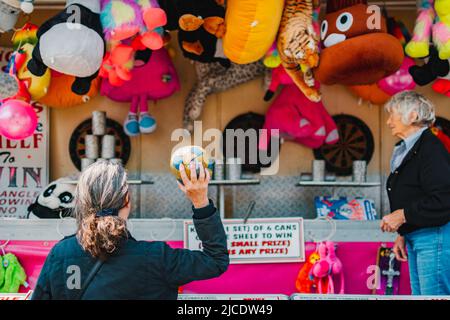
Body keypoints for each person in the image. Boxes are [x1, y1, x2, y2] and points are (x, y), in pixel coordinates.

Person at [32, 160, 229, 300]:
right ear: (127, 200)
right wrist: (200, 201)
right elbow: (215, 260)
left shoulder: (61, 254)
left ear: (82, 203)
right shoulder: (156, 257)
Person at [381, 91, 450, 295]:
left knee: (432, 296)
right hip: (418, 235)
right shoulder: (409, 148)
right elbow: (415, 194)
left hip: (434, 237)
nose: (388, 121)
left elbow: (444, 198)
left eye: (392, 114)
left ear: (412, 115)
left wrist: (402, 216)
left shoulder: (431, 149)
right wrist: (404, 232)